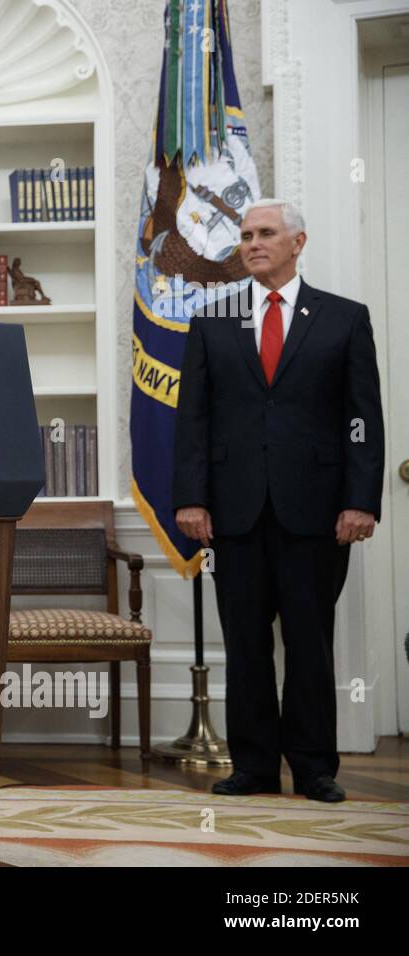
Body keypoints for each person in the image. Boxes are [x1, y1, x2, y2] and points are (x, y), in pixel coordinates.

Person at [173, 198, 385, 803]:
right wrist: (191, 497)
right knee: (245, 646)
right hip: (233, 514)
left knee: (310, 643)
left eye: (266, 233)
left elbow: (361, 418)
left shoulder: (345, 319)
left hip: (318, 514)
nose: (252, 243)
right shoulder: (213, 322)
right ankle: (255, 767)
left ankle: (315, 768)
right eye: (244, 235)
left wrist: (360, 499)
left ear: (298, 242)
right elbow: (194, 419)